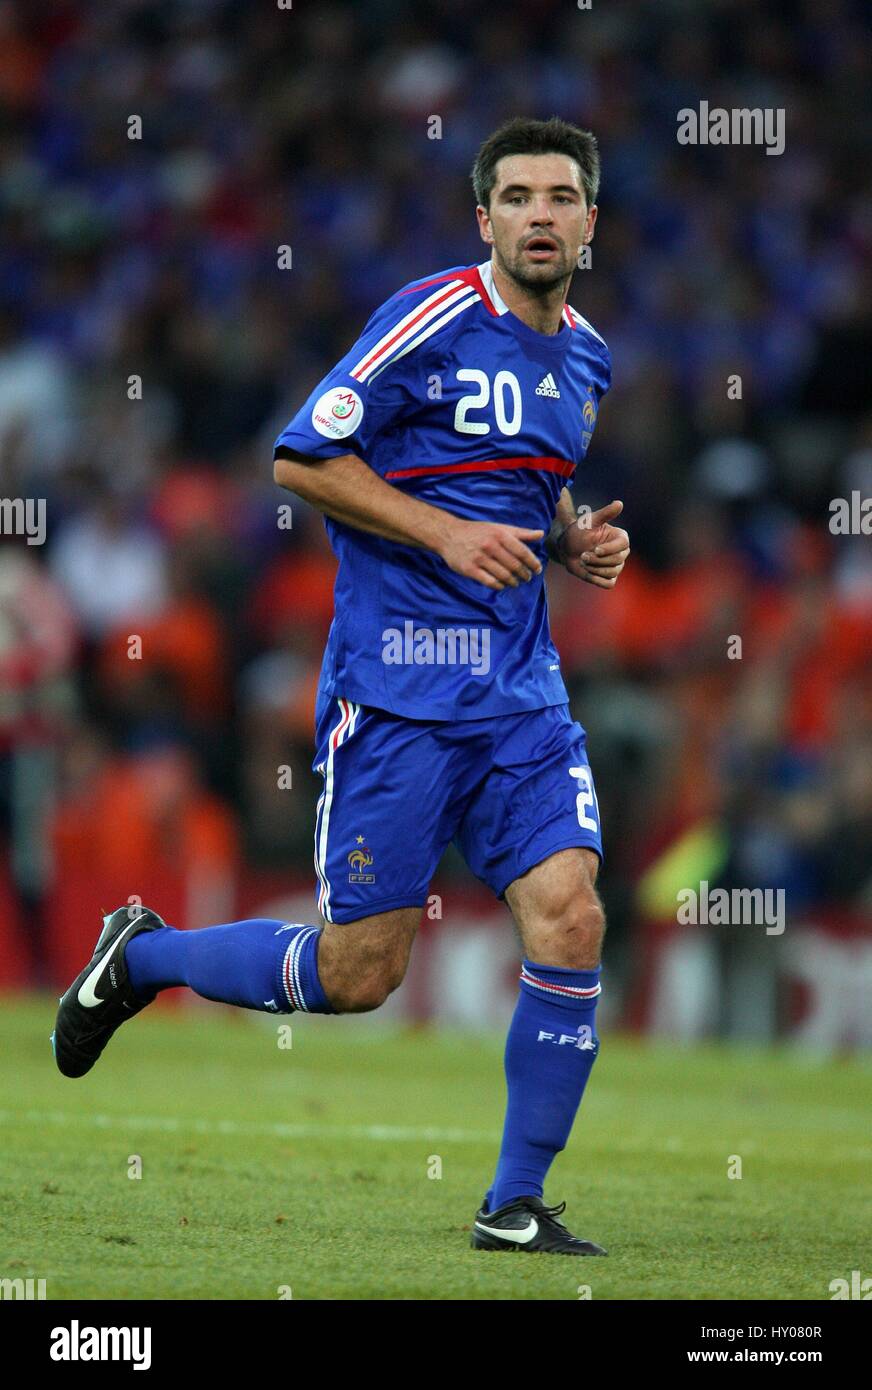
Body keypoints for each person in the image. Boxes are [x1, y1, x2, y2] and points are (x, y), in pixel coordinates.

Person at [53, 116, 630, 1256]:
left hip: (519, 697)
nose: (538, 215)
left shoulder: (589, 358)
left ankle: (512, 1203)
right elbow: (298, 456)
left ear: (589, 222)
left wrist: (567, 540)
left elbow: (525, 482)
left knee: (570, 913)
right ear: (485, 219)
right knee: (354, 971)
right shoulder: (428, 317)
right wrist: (447, 535)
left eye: (559, 197)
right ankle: (144, 956)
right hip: (401, 695)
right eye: (515, 196)